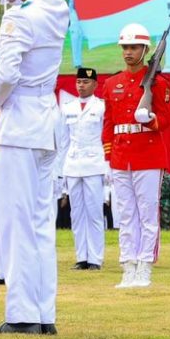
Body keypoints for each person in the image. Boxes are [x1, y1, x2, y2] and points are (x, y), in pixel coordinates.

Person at [0, 0, 70, 334]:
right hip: (45, 121)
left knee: (16, 222)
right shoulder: (58, 8)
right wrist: (13, 3)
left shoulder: (20, 18)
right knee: (39, 224)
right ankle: (42, 314)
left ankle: (20, 315)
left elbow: (5, 76)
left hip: (18, 122)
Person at [101, 24, 170, 288]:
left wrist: (150, 119)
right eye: (125, 47)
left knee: (147, 214)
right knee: (125, 214)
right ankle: (127, 265)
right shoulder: (111, 84)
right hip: (121, 155)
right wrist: (109, 152)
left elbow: (165, 119)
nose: (129, 52)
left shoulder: (158, 82)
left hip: (148, 154)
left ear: (145, 50)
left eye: (134, 47)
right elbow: (108, 122)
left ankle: (144, 267)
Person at [57, 67, 109, 271]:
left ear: (95, 84)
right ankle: (81, 257)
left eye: (86, 82)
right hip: (72, 164)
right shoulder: (67, 107)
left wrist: (107, 167)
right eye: (79, 82)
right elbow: (63, 141)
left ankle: (95, 258)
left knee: (94, 212)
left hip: (94, 163)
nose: (81, 85)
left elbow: (106, 139)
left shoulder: (101, 107)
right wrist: (60, 171)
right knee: (76, 213)